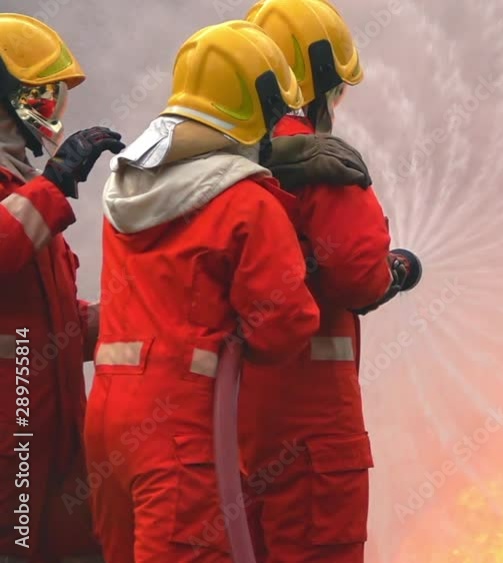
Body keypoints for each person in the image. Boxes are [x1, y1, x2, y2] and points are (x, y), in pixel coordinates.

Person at [84, 20, 321, 562]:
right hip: (179, 430)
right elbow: (285, 324)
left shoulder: (123, 187)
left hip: (106, 421)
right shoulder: (247, 202)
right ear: (259, 106)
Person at [238, 1, 421, 561]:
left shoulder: (221, 160)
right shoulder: (323, 161)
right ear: (317, 83)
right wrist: (395, 272)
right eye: (337, 90)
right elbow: (358, 275)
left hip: (239, 420)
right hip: (313, 430)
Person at [0, 12, 125, 563]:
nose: (49, 112)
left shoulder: (21, 187)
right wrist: (52, 186)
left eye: (54, 98)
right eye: (38, 97)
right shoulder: (32, 196)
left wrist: (134, 317)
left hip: (50, 439)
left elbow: (51, 319)